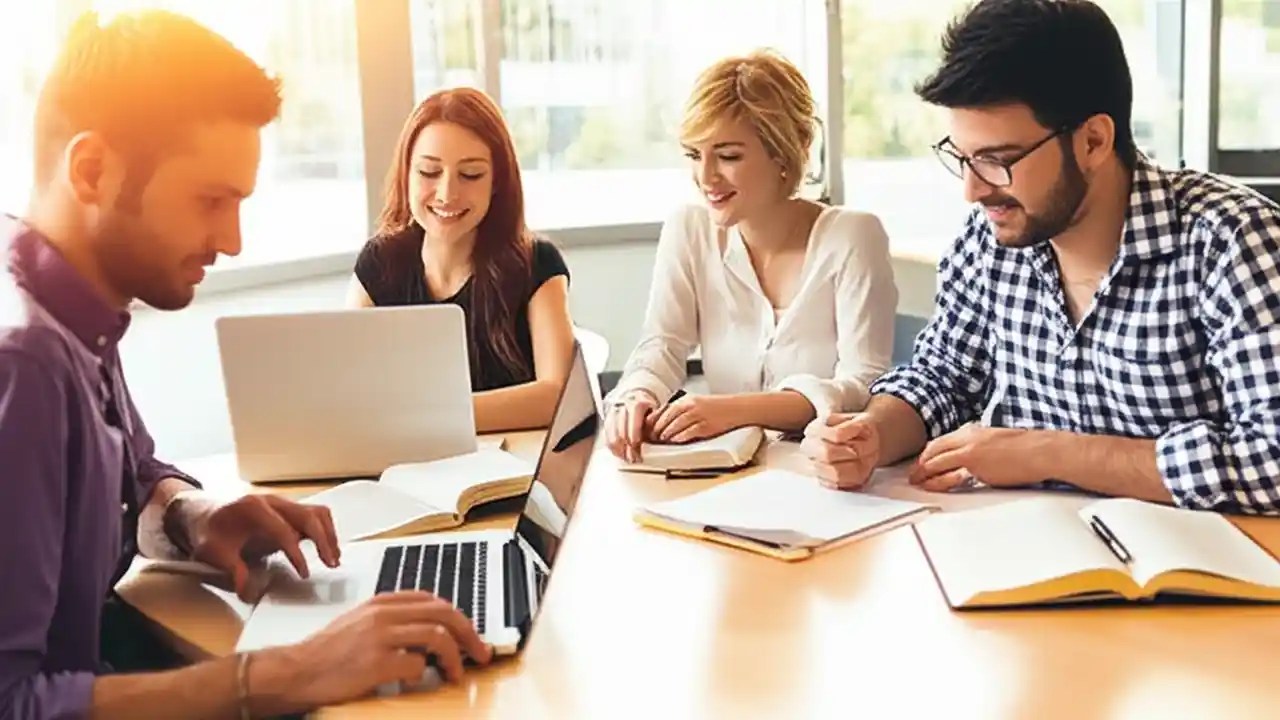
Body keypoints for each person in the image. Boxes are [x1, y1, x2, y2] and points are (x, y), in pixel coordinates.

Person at [1, 11, 489, 719]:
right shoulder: (27, 364)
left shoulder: (73, 316)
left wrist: (195, 515)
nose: (231, 241)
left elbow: (136, 472)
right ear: (92, 170)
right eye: (210, 200)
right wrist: (282, 674)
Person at [804, 0, 1280, 515]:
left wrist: (1049, 453)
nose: (972, 191)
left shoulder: (1231, 240)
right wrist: (870, 435)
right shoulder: (990, 239)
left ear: (1094, 141)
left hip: (1207, 575)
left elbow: (1272, 460)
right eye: (962, 158)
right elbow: (941, 378)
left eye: (998, 161)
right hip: (1026, 555)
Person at [604, 49, 898, 463]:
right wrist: (636, 396)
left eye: (728, 156)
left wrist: (732, 410)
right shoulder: (689, 229)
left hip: (828, 474)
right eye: (694, 154)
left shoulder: (853, 236)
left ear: (785, 152)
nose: (705, 177)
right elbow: (663, 345)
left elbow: (865, 383)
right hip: (725, 472)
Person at [347, 88, 576, 433]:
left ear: (497, 181)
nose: (446, 194)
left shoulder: (537, 264)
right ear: (406, 173)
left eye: (470, 175)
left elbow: (557, 395)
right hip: (403, 467)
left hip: (508, 472)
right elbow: (347, 392)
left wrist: (428, 416)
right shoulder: (379, 263)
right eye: (428, 172)